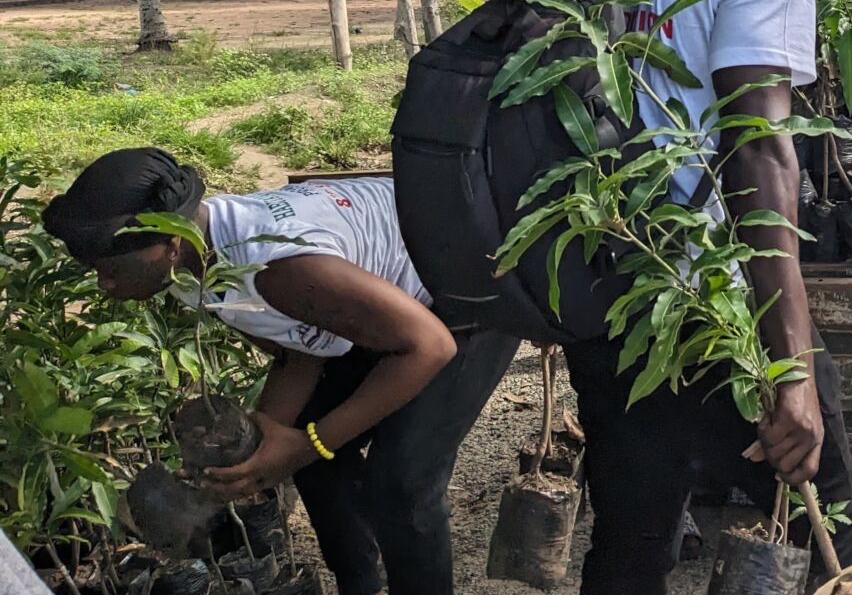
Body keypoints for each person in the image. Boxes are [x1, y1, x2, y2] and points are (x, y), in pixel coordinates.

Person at [563, 0, 852, 595]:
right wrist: (789, 369)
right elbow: (760, 150)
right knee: (831, 510)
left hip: (607, 276)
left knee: (630, 538)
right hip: (699, 293)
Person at [42, 150, 517, 595]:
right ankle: (361, 585)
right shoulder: (192, 260)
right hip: (379, 300)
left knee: (401, 483)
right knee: (314, 462)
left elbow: (428, 346)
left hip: (465, 289)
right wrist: (271, 436)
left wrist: (308, 444)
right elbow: (301, 344)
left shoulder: (274, 265)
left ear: (168, 243)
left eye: (110, 268)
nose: (103, 284)